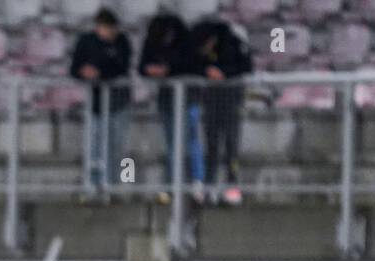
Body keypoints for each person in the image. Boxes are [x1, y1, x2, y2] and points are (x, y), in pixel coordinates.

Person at [139, 10, 204, 203]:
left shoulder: (185, 41)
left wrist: (169, 69)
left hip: (189, 99)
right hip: (167, 99)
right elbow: (142, 65)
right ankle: (171, 183)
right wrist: (151, 70)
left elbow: (192, 64)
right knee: (172, 143)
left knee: (191, 140)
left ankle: (196, 183)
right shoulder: (153, 40)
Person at [69, 7, 131, 195]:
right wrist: (84, 72)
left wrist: (100, 72)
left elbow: (122, 67)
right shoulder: (86, 41)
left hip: (118, 103)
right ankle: (93, 186)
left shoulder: (122, 42)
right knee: (93, 145)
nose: (108, 32)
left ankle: (111, 186)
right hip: (94, 104)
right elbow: (74, 68)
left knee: (114, 145)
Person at [191, 18, 252, 205]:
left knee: (231, 145)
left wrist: (224, 74)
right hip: (211, 101)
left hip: (232, 100)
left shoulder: (234, 43)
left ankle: (232, 186)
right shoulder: (200, 48)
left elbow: (246, 67)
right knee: (211, 145)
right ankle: (209, 187)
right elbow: (193, 65)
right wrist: (206, 71)